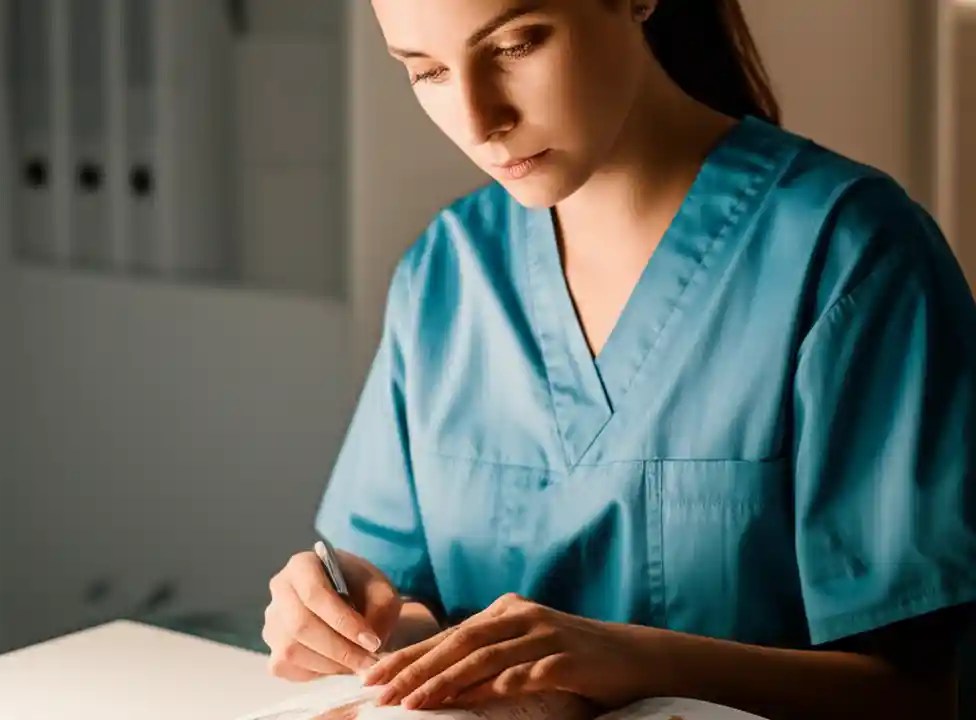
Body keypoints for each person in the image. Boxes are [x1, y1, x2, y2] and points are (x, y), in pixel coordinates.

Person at [260, 1, 976, 718]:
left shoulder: (849, 256)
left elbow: (917, 694)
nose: (479, 122)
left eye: (516, 45)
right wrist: (347, 625)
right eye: (429, 72)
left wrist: (639, 661)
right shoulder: (448, 271)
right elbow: (415, 607)